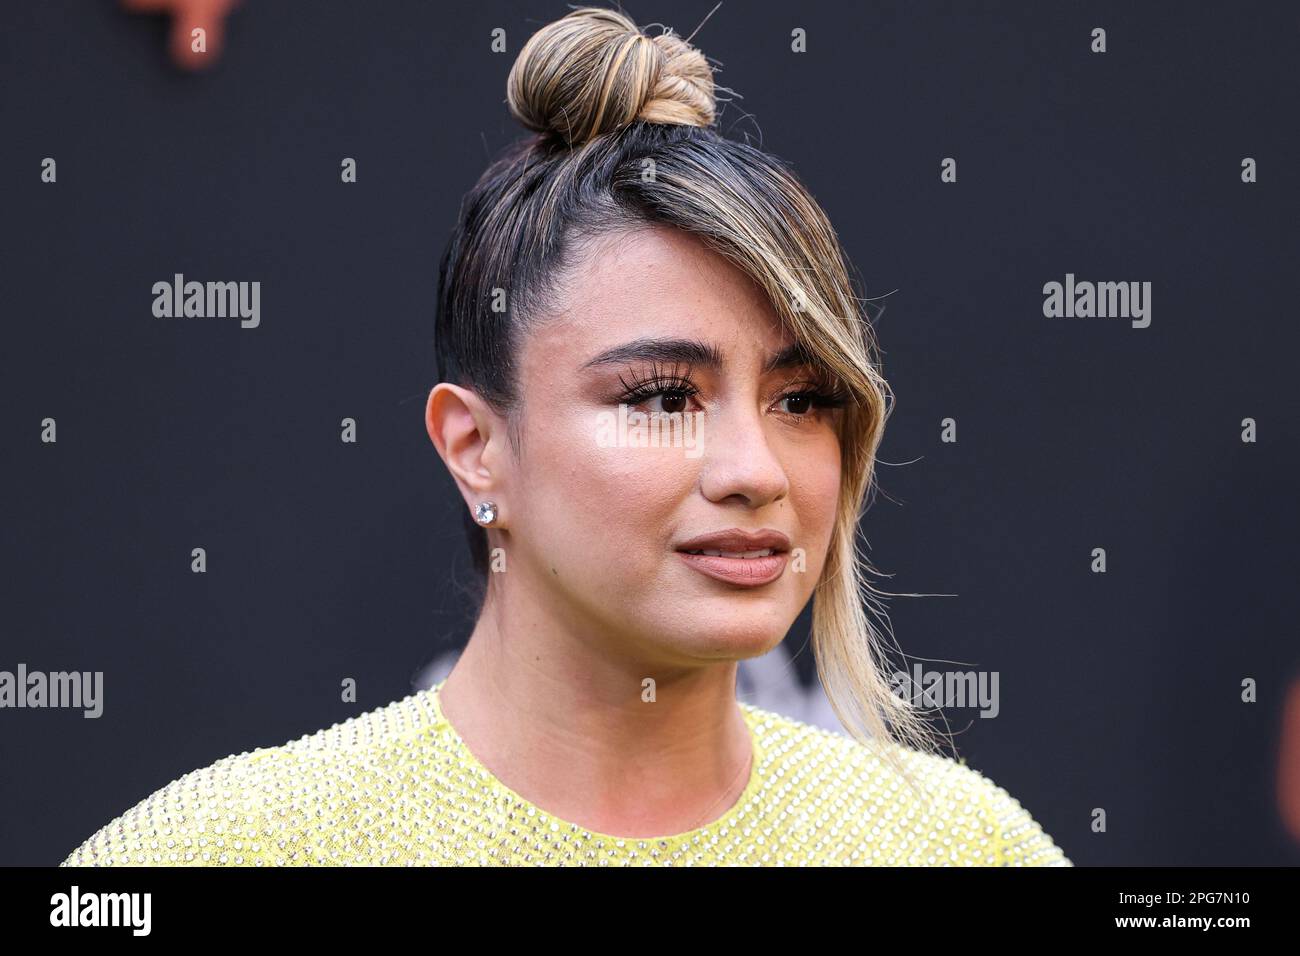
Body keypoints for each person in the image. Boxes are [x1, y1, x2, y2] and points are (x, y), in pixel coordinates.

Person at [60, 5, 1070, 867]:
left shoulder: (960, 844)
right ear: (473, 446)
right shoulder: (215, 852)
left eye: (802, 400)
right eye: (662, 396)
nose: (754, 471)